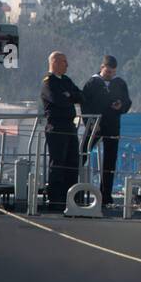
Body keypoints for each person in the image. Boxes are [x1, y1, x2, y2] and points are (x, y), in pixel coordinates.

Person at [81, 55, 132, 206]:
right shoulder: (92, 83)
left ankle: (105, 196)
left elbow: (127, 102)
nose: (111, 75)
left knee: (110, 162)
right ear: (102, 68)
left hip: (112, 125)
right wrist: (89, 124)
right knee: (82, 153)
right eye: (108, 71)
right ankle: (74, 188)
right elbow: (84, 104)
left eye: (113, 72)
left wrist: (120, 106)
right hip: (95, 125)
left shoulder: (120, 83)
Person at [39, 51, 84, 210]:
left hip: (70, 126)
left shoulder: (66, 80)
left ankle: (70, 197)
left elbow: (80, 96)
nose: (67, 65)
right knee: (58, 162)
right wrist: (68, 97)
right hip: (56, 126)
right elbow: (58, 100)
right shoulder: (48, 82)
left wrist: (69, 95)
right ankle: (56, 198)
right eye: (64, 62)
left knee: (72, 161)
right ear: (55, 63)